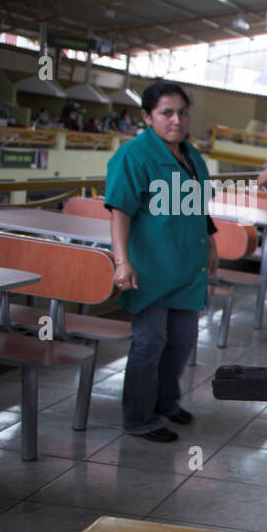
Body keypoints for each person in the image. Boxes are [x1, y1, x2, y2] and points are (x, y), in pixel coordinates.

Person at [104, 81, 219, 443]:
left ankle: (165, 402)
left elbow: (199, 207)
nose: (176, 120)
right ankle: (138, 417)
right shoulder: (133, 157)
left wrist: (211, 244)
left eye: (182, 112)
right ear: (147, 116)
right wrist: (122, 262)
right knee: (150, 342)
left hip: (186, 267)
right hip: (151, 269)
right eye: (166, 113)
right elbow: (120, 212)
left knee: (182, 341)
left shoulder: (193, 157)